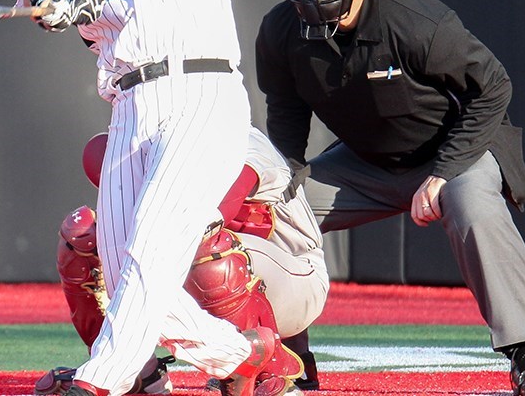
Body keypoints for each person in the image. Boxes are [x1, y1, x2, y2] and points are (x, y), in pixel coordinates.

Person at [6, 0, 288, 396]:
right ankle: (243, 356)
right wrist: (50, 1)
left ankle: (101, 381)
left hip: (200, 89)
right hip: (130, 107)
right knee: (123, 275)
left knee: (151, 251)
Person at [255, 0, 525, 396]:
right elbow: (286, 113)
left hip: (450, 151)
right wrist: (283, 180)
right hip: (365, 163)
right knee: (268, 216)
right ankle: (286, 359)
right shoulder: (281, 29)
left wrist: (444, 172)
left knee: (475, 207)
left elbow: (493, 87)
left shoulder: (416, 22)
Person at [36, 127, 329, 395]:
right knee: (83, 235)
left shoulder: (236, 138)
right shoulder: (152, 138)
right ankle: (131, 371)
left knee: (207, 246)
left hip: (296, 280)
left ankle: (268, 371)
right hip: (209, 268)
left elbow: (211, 218)